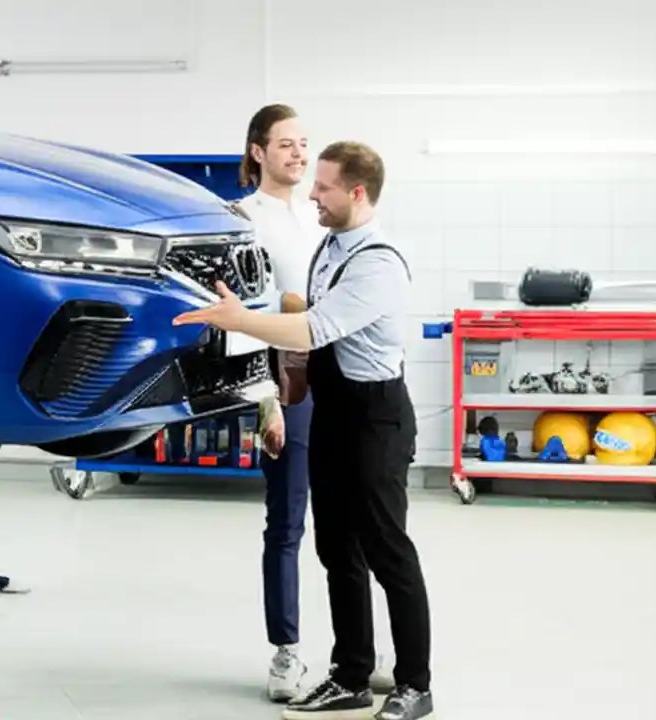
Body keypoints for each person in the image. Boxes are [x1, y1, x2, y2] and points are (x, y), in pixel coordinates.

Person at [175, 141, 433, 720]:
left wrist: (241, 321)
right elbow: (304, 307)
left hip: (377, 418)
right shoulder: (330, 246)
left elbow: (315, 328)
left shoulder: (378, 261)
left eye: (325, 186)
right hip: (334, 411)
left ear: (357, 193)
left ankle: (415, 683)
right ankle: (351, 675)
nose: (313, 194)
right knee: (336, 547)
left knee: (388, 551)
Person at [231, 103, 316, 703]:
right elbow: (242, 319)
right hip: (287, 382)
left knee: (353, 523)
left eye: (304, 144)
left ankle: (357, 651)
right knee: (286, 523)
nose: (298, 154)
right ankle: (286, 653)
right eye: (286, 144)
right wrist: (266, 400)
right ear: (258, 151)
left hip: (343, 382)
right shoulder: (243, 220)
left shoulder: (320, 218)